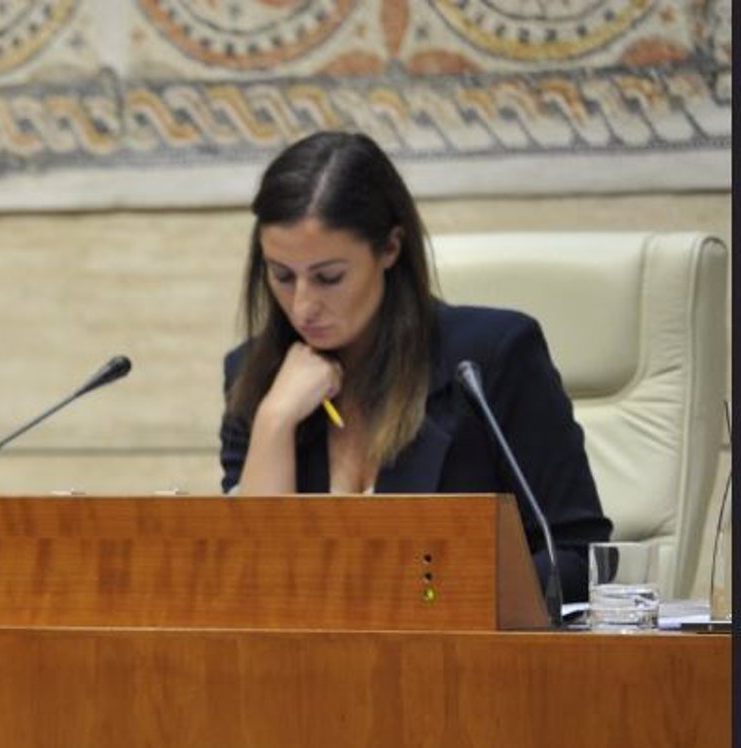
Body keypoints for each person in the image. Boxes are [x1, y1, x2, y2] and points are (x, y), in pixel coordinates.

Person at [218, 131, 610, 602]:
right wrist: (274, 421)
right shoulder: (252, 376)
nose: (302, 306)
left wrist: (435, 603)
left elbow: (576, 554)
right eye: (281, 276)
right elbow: (256, 587)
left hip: (466, 661)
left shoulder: (490, 358)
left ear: (390, 248)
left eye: (328, 278)